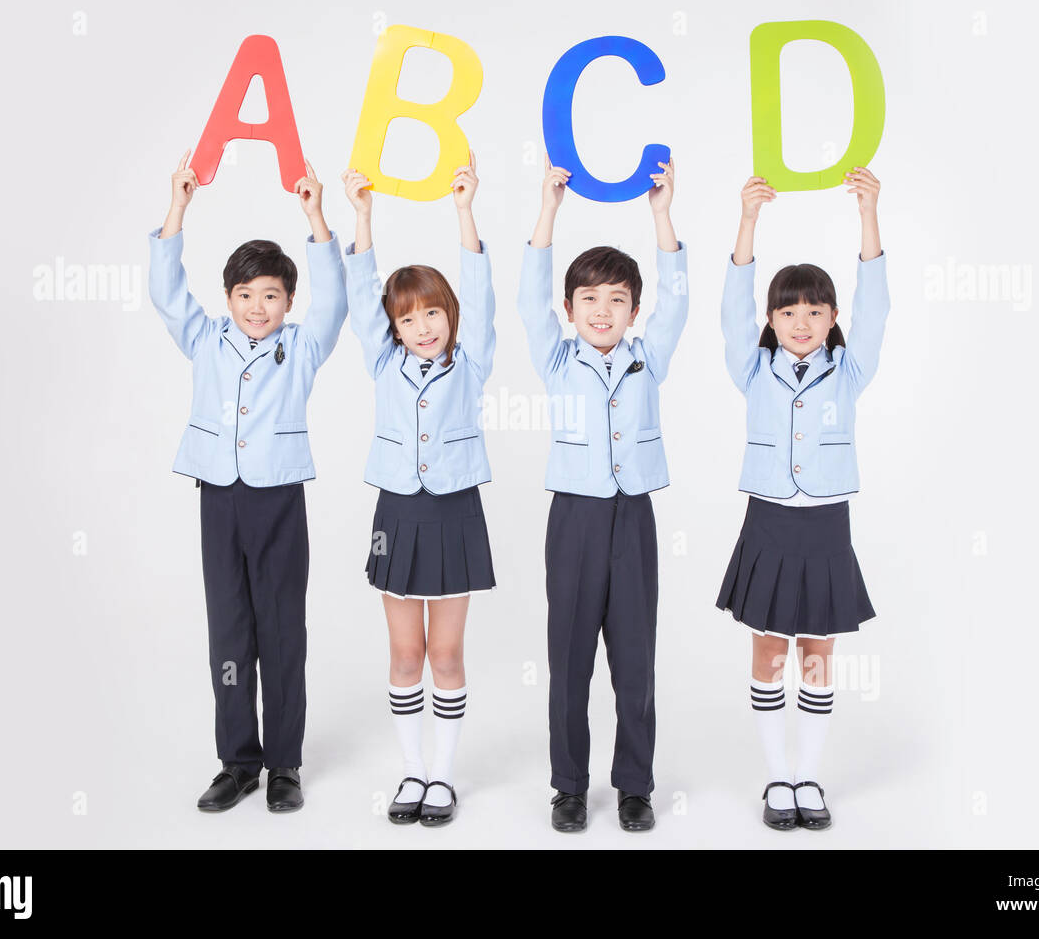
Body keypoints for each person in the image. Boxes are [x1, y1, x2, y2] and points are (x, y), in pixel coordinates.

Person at [148, 151, 348, 814]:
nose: (257, 306)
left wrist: (316, 215)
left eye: (271, 295)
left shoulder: (303, 347)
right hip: (220, 499)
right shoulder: (205, 338)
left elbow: (337, 300)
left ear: (288, 301)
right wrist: (178, 206)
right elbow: (165, 290)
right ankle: (238, 760)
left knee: (281, 630)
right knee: (230, 632)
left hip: (279, 500)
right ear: (228, 298)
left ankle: (284, 763)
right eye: (245, 294)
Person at [517, 154, 688, 832]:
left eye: (618, 298)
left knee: (634, 657)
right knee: (569, 659)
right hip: (574, 520)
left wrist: (662, 214)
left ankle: (635, 785)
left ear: (633, 309)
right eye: (589, 298)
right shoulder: (558, 359)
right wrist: (549, 209)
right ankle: (567, 785)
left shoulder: (650, 355)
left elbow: (678, 300)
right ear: (570, 308)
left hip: (634, 517)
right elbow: (530, 299)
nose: (603, 309)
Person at [716, 167, 888, 831]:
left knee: (816, 653)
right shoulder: (751, 367)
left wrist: (868, 217)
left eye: (815, 310)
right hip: (766, 522)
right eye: (788, 310)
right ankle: (776, 780)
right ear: (772, 317)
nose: (801, 320)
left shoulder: (849, 370)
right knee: (767, 653)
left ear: (832, 317)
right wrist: (748, 221)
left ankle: (810, 778)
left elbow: (877, 308)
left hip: (825, 526)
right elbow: (732, 308)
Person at [341, 152, 496, 827]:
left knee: (446, 651)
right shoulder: (383, 361)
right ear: (394, 328)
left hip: (456, 510)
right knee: (405, 651)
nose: (423, 327)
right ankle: (411, 772)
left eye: (433, 313)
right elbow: (357, 299)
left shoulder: (472, 360)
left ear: (448, 315)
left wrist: (463, 210)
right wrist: (363, 218)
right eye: (408, 319)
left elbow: (482, 298)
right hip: (397, 512)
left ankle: (444, 775)